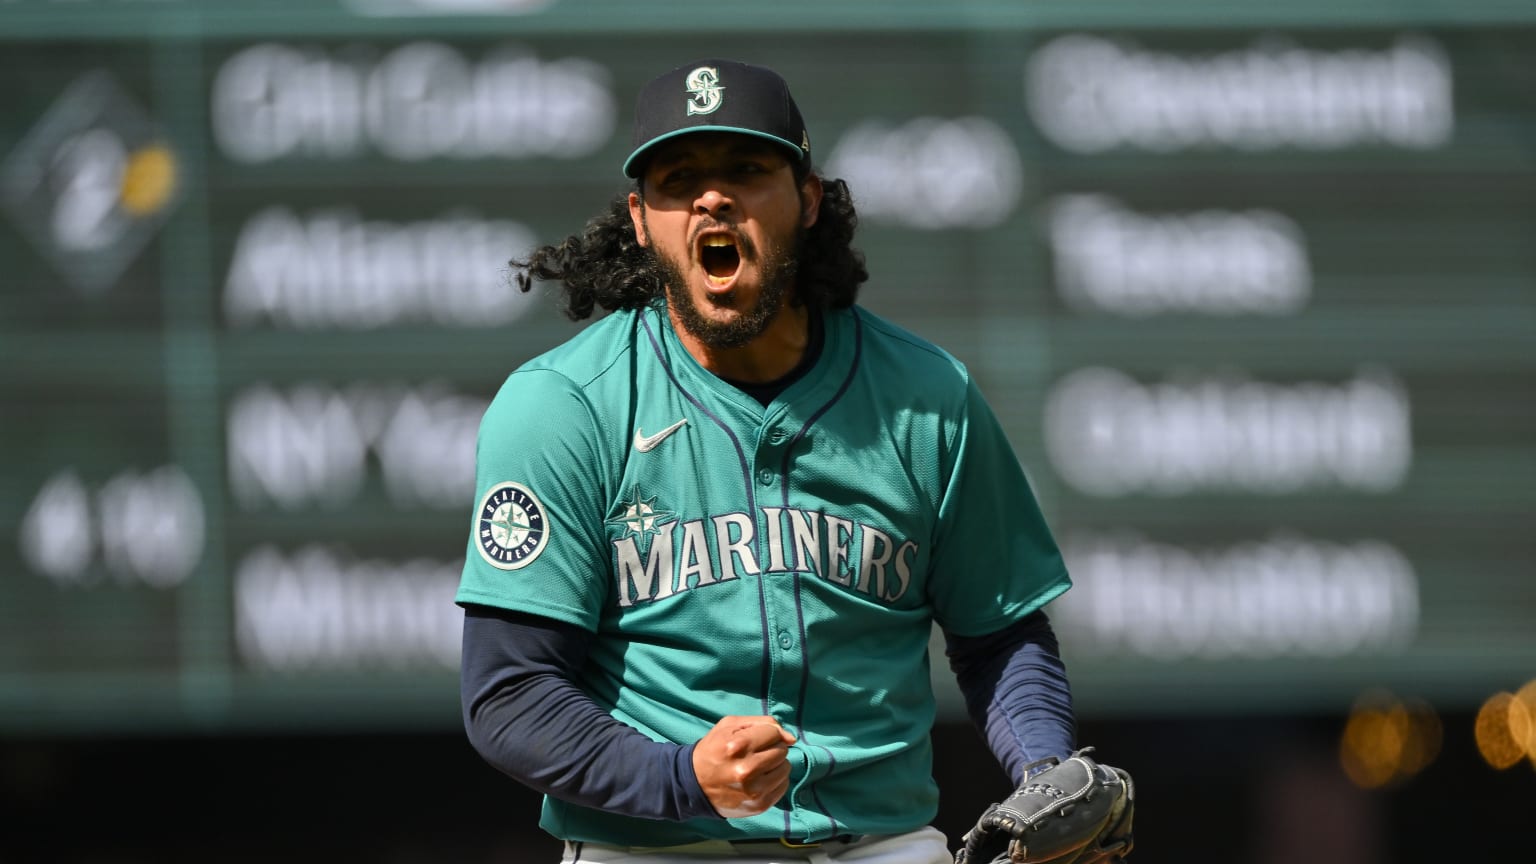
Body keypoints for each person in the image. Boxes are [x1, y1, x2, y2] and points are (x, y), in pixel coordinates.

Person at [457, 59, 1081, 864]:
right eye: (679, 179)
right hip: (656, 850)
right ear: (642, 220)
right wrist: (681, 777)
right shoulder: (564, 405)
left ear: (809, 200)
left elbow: (999, 633)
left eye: (746, 170)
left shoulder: (927, 397)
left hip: (880, 845)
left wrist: (1046, 770)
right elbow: (511, 695)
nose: (713, 198)